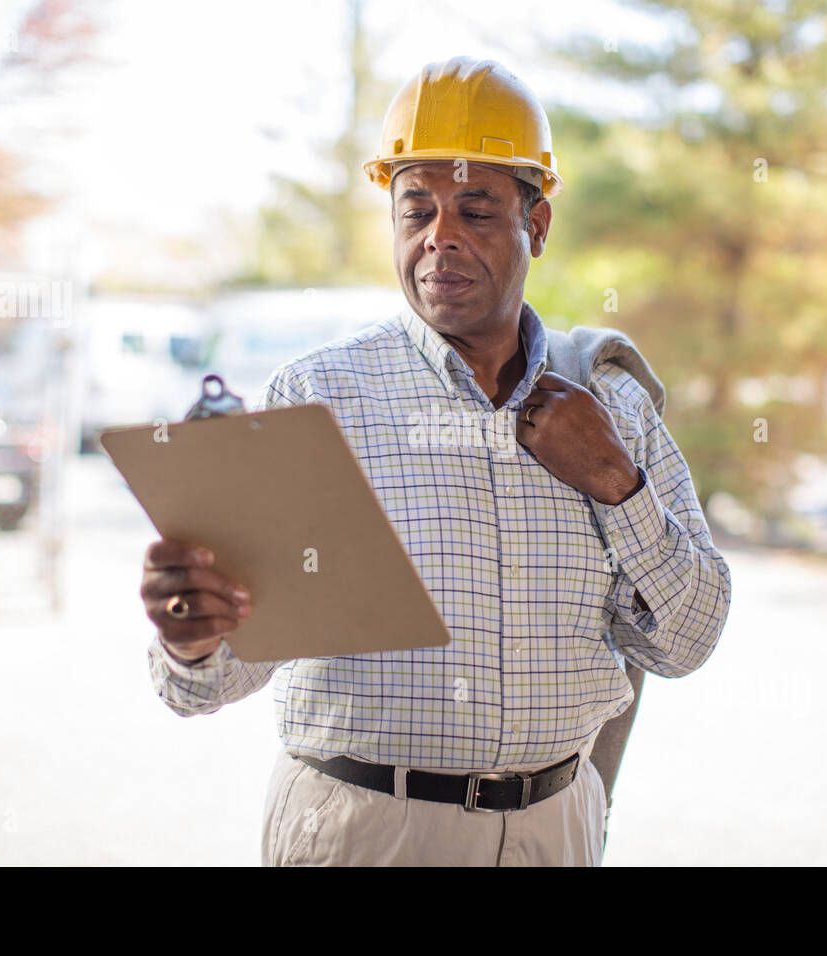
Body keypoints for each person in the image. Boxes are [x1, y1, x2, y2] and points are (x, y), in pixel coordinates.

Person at [139, 56, 732, 866]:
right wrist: (191, 640)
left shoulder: (611, 409)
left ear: (539, 226)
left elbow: (688, 643)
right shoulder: (320, 397)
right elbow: (212, 683)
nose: (439, 238)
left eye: (476, 210)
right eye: (415, 209)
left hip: (552, 830)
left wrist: (617, 485)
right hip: (365, 830)